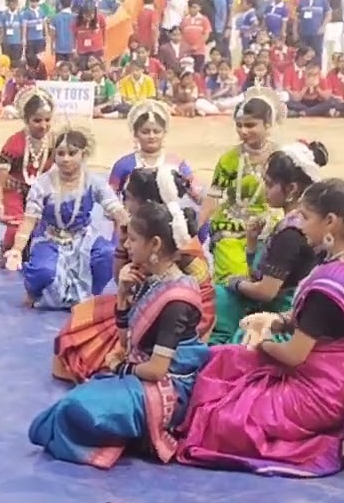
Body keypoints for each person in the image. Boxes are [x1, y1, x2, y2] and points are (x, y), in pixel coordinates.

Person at [176, 178, 344, 477]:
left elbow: (293, 356)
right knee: (222, 357)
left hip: (319, 392)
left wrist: (262, 341)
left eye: (307, 217)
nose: (300, 225)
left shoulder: (332, 283)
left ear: (331, 221)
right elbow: (324, 324)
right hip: (332, 378)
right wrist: (278, 320)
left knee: (223, 420)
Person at [28, 199, 209, 468]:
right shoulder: (152, 280)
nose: (125, 245)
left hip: (167, 389)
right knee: (62, 409)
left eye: (133, 239)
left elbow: (157, 369)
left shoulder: (177, 300)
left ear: (155, 245)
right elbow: (127, 341)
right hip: (140, 376)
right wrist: (123, 296)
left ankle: (133, 434)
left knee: (76, 410)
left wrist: (119, 366)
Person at [53, 166, 216, 382]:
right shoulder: (140, 231)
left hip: (175, 316)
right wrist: (124, 251)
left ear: (144, 201)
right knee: (81, 320)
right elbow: (122, 275)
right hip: (144, 299)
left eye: (127, 197)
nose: (124, 204)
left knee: (84, 349)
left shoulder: (175, 239)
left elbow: (193, 293)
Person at [209, 141, 327, 345]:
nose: (265, 189)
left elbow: (266, 291)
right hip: (290, 306)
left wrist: (234, 283)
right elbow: (263, 276)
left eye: (270, 184)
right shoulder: (302, 222)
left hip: (282, 315)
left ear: (291, 188)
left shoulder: (291, 232)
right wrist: (252, 244)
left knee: (220, 296)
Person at [4, 123, 128, 310]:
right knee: (43, 272)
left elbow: (117, 210)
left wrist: (128, 238)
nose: (65, 159)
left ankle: (90, 296)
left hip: (84, 239)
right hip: (50, 239)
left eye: (72, 153)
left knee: (106, 254)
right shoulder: (43, 184)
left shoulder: (93, 181)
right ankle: (34, 293)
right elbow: (30, 220)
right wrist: (16, 250)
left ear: (83, 154)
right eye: (60, 153)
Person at [198, 90, 283, 283]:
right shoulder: (229, 159)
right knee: (234, 281)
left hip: (271, 226)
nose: (243, 131)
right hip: (232, 228)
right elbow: (213, 196)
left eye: (251, 125)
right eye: (239, 126)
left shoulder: (282, 157)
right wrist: (197, 232)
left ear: (268, 124)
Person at [0, 86, 54, 268]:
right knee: (14, 231)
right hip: (14, 191)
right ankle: (7, 250)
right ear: (26, 120)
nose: (43, 125)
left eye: (48, 120)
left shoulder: (55, 141)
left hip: (43, 194)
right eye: (37, 120)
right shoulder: (14, 144)